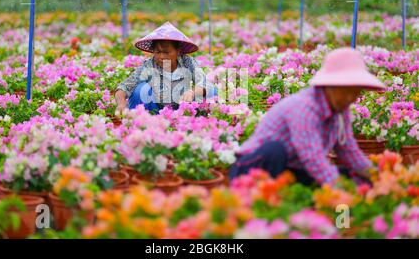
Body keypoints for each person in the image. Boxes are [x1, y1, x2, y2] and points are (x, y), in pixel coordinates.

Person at [230, 47, 385, 186]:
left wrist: (375, 176)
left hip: (290, 168)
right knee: (275, 150)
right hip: (253, 168)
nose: (351, 98)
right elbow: (312, 157)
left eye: (356, 92)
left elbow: (348, 150)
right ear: (330, 85)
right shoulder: (305, 108)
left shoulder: (340, 111)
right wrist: (338, 189)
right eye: (347, 91)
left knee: (352, 177)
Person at [114, 22, 217, 116]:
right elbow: (124, 87)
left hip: (184, 109)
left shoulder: (187, 62)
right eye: (158, 52)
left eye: (166, 52)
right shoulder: (149, 65)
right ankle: (144, 123)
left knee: (212, 91)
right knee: (139, 90)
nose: (162, 56)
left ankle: (205, 120)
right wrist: (122, 104)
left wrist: (192, 92)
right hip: (156, 110)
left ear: (178, 51)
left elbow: (204, 82)